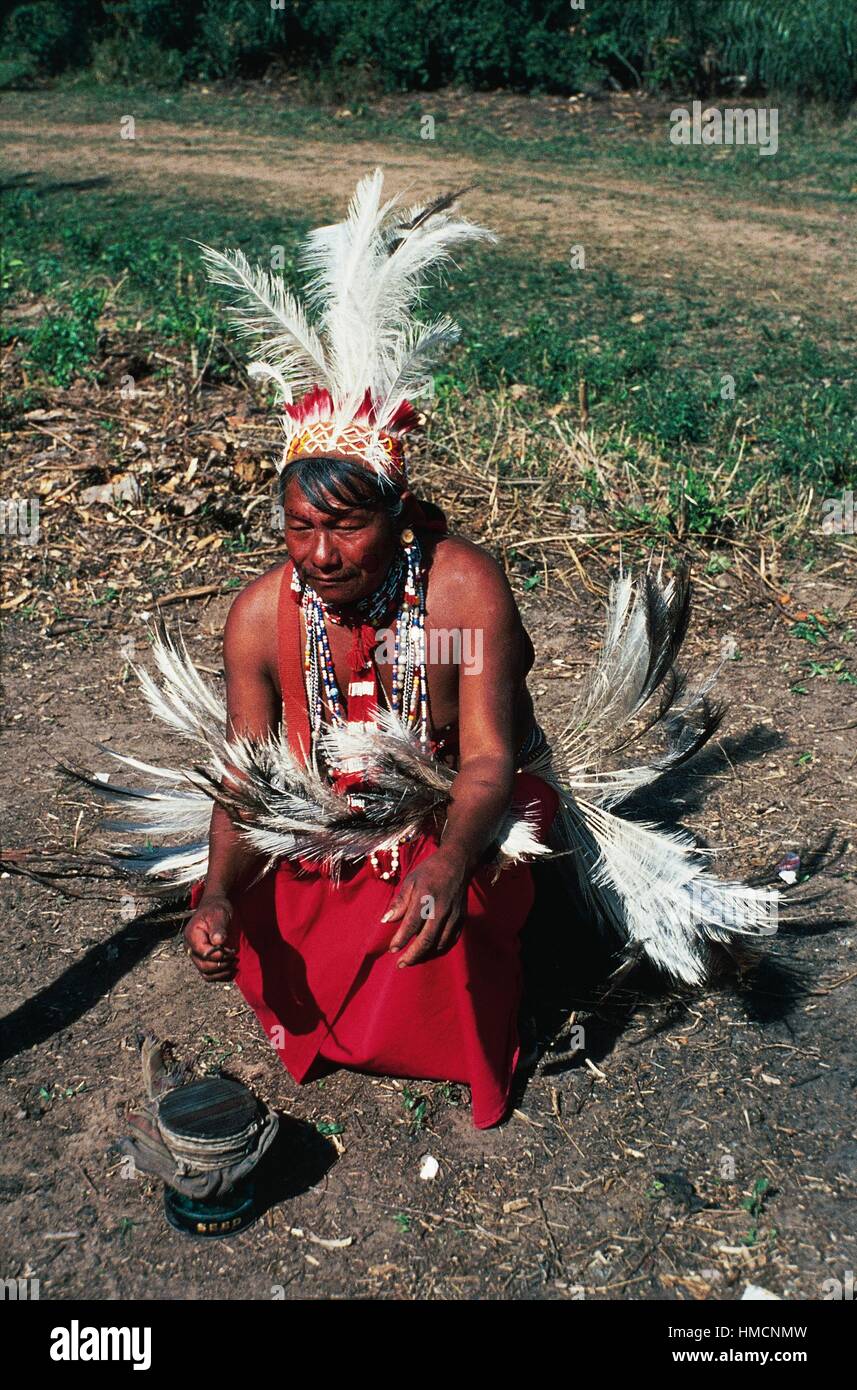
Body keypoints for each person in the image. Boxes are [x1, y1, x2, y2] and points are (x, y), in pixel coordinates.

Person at [183, 437, 560, 1128]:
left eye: (346, 527)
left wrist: (451, 862)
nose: (320, 555)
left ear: (400, 516)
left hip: (457, 804)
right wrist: (214, 894)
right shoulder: (263, 617)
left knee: (459, 905)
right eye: (301, 527)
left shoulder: (458, 592)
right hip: (326, 814)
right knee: (265, 899)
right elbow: (248, 779)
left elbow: (485, 759)